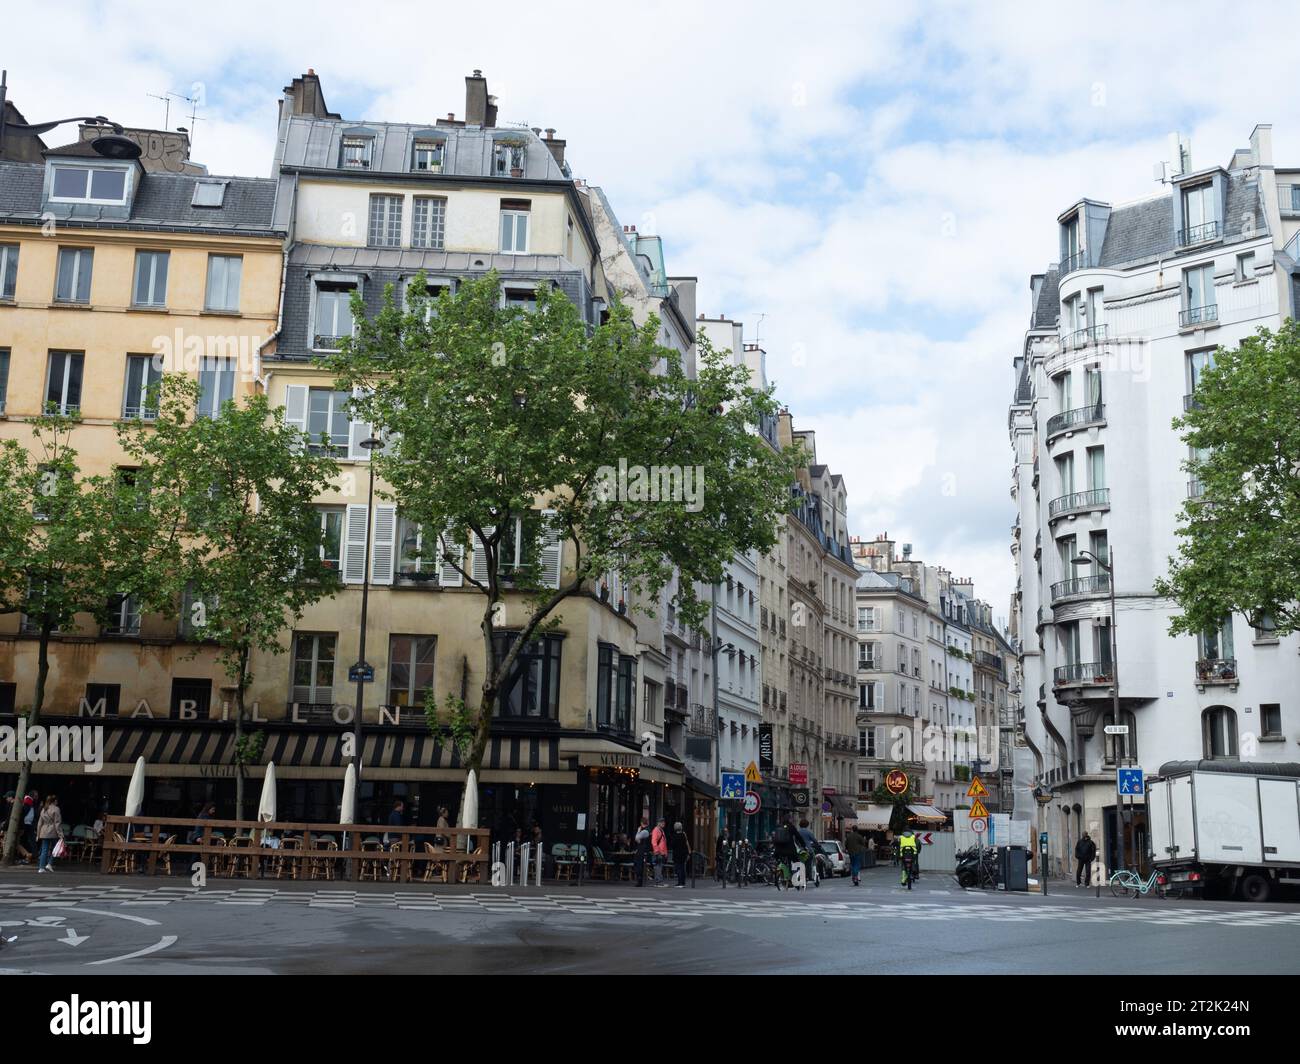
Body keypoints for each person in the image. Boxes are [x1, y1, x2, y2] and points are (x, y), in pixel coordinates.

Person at [36, 794, 63, 873]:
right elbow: (57, 823)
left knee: (44, 849)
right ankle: (49, 863)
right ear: (54, 801)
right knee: (56, 849)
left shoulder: (44, 809)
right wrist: (61, 834)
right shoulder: (56, 809)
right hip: (53, 831)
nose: (57, 802)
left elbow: (39, 823)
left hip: (44, 831)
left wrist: (38, 834)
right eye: (56, 800)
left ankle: (41, 867)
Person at [773, 817, 801, 885]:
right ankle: (793, 878)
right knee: (797, 862)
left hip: (779, 850)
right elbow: (798, 836)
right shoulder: (791, 827)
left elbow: (775, 838)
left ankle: (779, 874)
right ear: (789, 820)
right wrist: (803, 845)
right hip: (790, 850)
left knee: (781, 862)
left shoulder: (779, 827)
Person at [797, 819, 819, 886]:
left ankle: (800, 876)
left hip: (800, 850)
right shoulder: (808, 832)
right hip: (808, 850)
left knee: (801, 863)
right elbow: (814, 840)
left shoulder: (798, 832)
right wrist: (817, 844)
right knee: (809, 863)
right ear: (807, 825)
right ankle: (808, 876)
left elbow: (795, 840)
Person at [671, 822, 692, 887]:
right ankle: (683, 882)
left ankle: (680, 882)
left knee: (678, 868)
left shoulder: (674, 836)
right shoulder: (683, 834)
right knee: (683, 868)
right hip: (684, 854)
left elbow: (673, 845)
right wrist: (689, 853)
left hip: (677, 854)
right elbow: (686, 843)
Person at [650, 817, 669, 886]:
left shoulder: (661, 830)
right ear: (658, 823)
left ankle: (659, 881)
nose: (663, 823)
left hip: (662, 852)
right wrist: (657, 851)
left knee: (660, 867)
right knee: (658, 867)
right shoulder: (656, 830)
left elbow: (664, 843)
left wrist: (666, 852)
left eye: (664, 822)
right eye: (661, 822)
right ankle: (659, 882)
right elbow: (654, 841)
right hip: (658, 852)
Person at [633, 816, 652, 887]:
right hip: (643, 849)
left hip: (642, 850)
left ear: (641, 823)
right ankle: (639, 880)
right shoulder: (647, 830)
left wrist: (638, 830)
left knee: (639, 865)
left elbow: (636, 838)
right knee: (639, 865)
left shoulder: (644, 831)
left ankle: (639, 881)